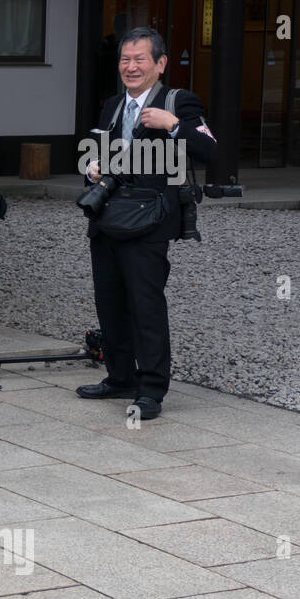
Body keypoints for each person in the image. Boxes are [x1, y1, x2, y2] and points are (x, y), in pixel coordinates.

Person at [79, 26, 218, 419]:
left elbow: (211, 150)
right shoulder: (111, 105)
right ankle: (120, 377)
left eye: (140, 59)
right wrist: (89, 169)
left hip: (150, 221)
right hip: (107, 218)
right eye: (125, 59)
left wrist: (173, 125)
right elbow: (91, 153)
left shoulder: (179, 102)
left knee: (146, 306)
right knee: (110, 302)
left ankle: (151, 389)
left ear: (160, 63)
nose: (131, 66)